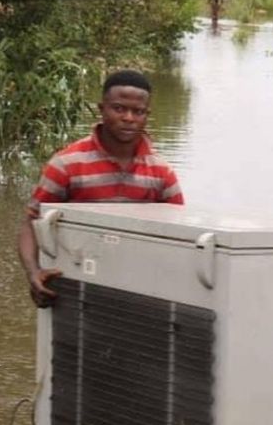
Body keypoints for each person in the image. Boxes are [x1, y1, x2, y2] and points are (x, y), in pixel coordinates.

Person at [17, 69, 184, 307]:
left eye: (138, 112)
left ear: (147, 115)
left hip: (137, 292)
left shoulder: (161, 172)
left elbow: (178, 236)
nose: (128, 118)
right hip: (75, 286)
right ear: (101, 109)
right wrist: (33, 272)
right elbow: (30, 223)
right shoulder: (67, 165)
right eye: (119, 108)